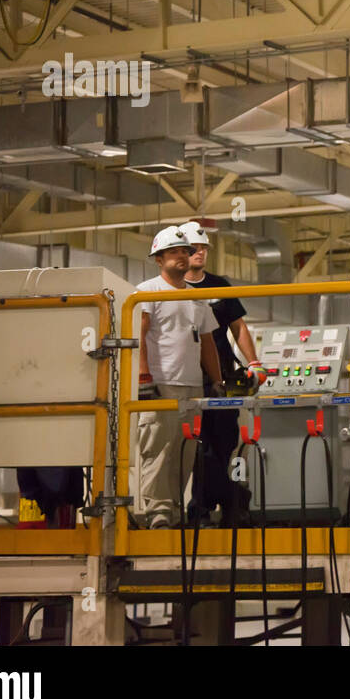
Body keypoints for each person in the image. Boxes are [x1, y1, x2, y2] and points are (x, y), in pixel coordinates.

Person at [133, 225, 223, 529]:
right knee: (158, 450)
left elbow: (207, 341)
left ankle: (173, 510)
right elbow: (140, 334)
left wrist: (217, 379)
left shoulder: (198, 297)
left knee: (185, 452)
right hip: (161, 383)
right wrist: (143, 376)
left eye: (186, 251)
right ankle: (158, 512)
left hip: (192, 385)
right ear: (159, 259)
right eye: (175, 252)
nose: (183, 257)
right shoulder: (147, 292)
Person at [178, 220, 266, 526]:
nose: (199, 253)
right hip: (188, 377)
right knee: (199, 448)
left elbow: (238, 326)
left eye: (203, 248)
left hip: (223, 374)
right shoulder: (171, 290)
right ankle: (217, 503)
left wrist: (253, 363)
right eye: (193, 248)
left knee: (225, 442)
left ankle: (216, 504)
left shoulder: (219, 285)